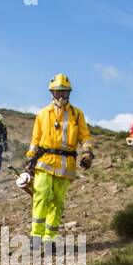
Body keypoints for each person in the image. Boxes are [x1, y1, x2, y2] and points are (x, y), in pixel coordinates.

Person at [26, 73, 93, 253]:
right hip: (45, 161)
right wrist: (30, 160)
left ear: (69, 93)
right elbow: (35, 139)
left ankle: (50, 239)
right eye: (57, 92)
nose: (61, 96)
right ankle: (36, 236)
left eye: (64, 92)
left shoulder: (77, 115)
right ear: (52, 93)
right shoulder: (42, 114)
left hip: (66, 164)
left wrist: (87, 153)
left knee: (57, 201)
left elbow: (85, 136)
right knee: (41, 195)